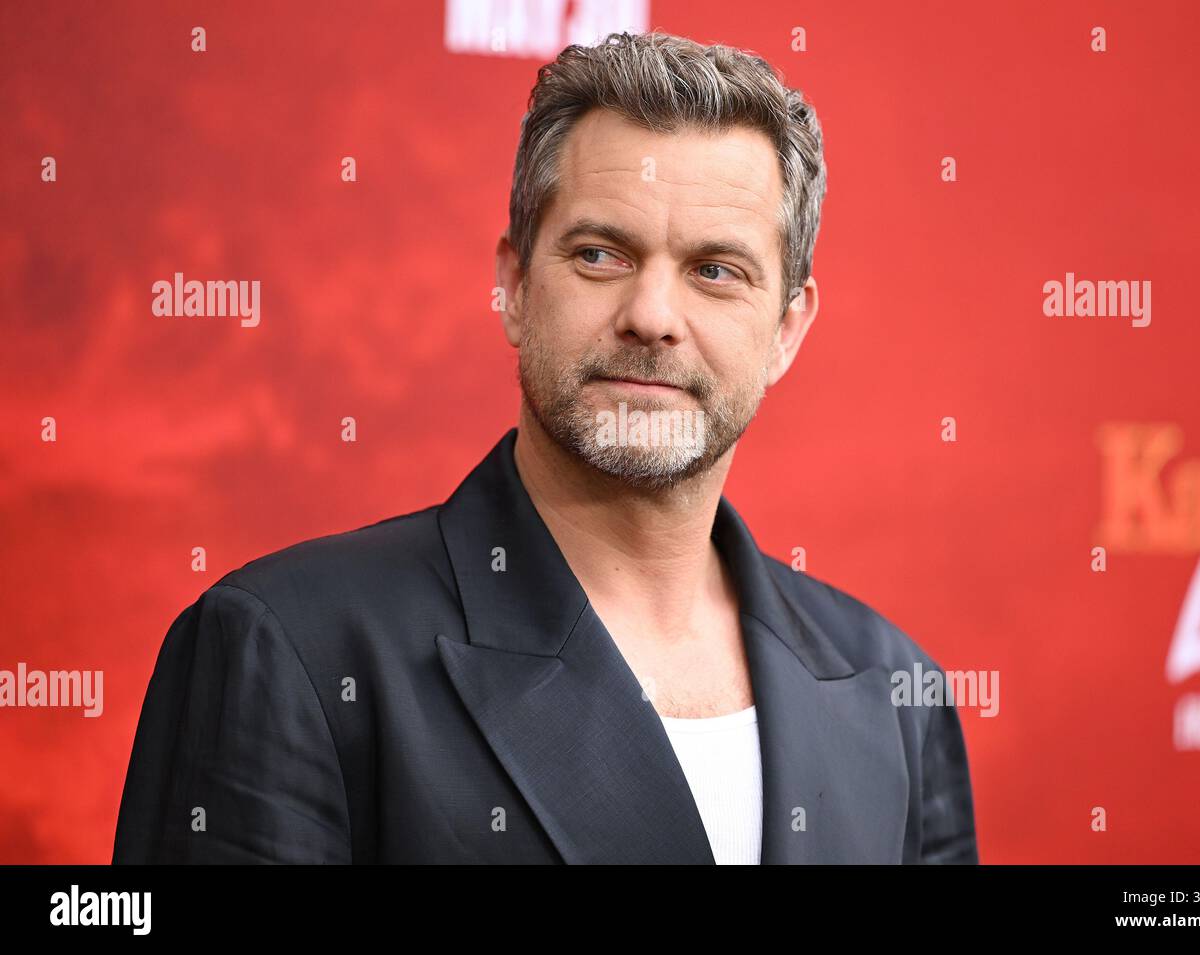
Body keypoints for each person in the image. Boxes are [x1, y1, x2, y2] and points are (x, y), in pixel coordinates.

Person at [112, 29, 977, 864]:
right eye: (601, 254)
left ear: (788, 328)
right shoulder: (289, 648)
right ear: (515, 288)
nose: (653, 316)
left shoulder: (896, 692)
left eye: (716, 270)